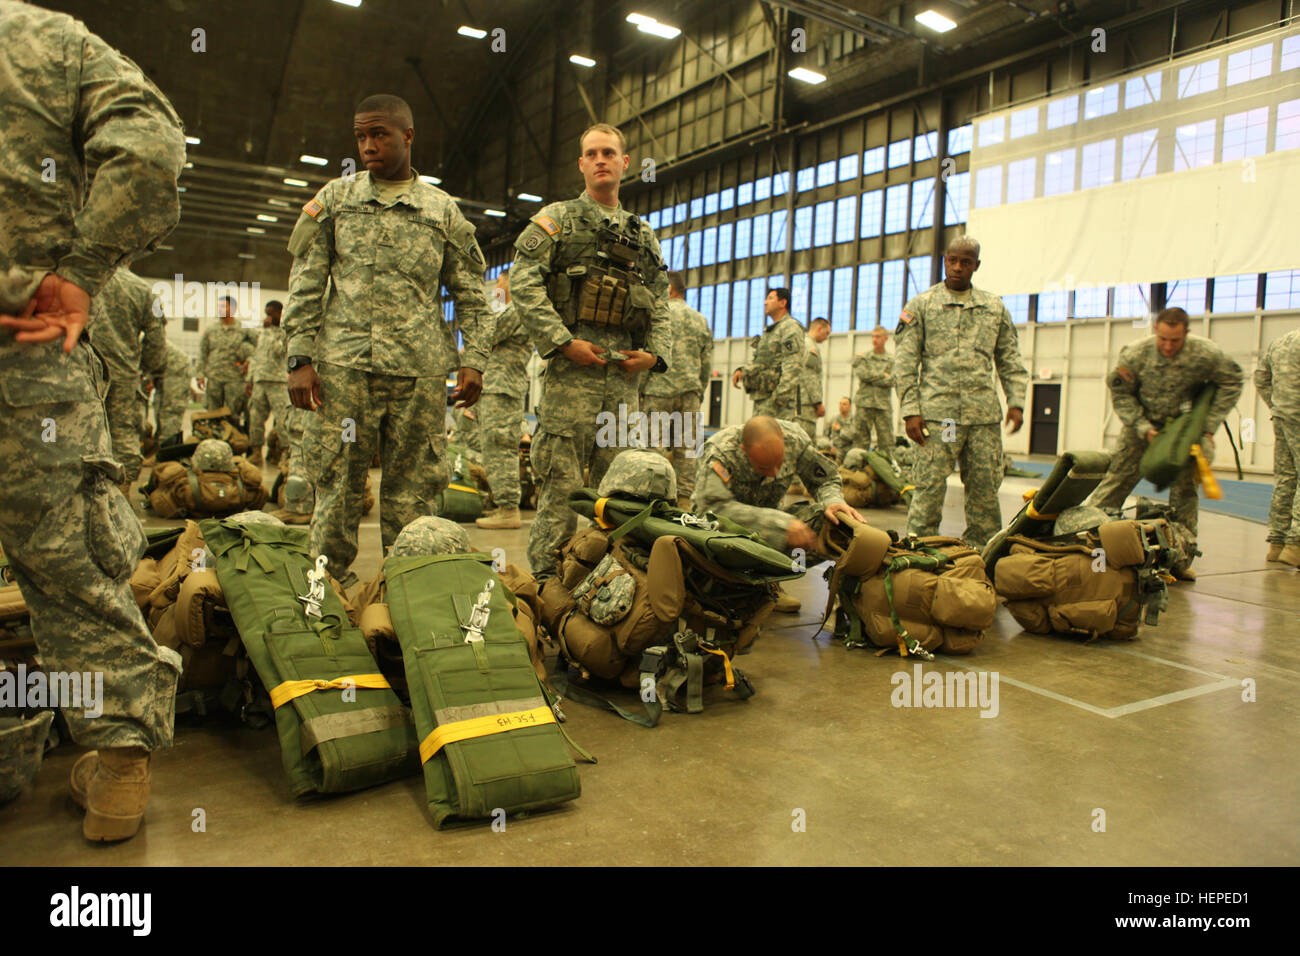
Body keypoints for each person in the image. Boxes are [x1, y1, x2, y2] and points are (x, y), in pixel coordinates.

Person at [0, 0, 186, 841]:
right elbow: (151, 150)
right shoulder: (45, 40)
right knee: (72, 566)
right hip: (29, 355)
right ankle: (116, 770)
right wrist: (76, 269)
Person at [283, 93, 489, 588]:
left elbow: (471, 294)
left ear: (408, 136)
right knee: (337, 486)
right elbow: (306, 283)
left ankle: (408, 595)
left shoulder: (442, 210)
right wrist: (298, 357)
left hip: (418, 374)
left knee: (414, 493)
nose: (368, 145)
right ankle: (325, 594)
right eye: (360, 136)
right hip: (343, 370)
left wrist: (475, 359)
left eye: (379, 134)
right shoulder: (336, 199)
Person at [511, 122, 672, 577]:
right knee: (560, 492)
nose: (601, 160)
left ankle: (606, 579)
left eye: (609, 153)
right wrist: (562, 343)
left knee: (618, 493)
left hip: (622, 385)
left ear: (625, 163)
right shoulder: (557, 219)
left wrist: (655, 355)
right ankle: (546, 584)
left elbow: (660, 301)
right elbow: (524, 284)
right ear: (581, 164)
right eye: (591, 153)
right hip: (570, 381)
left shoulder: (643, 236)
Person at [1085, 307, 1244, 579]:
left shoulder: (1205, 354)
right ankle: (1089, 546)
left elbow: (1233, 380)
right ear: (1156, 330)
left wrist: (1207, 426)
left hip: (1180, 434)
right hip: (1140, 428)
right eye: (1163, 339)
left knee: (1185, 495)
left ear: (1186, 334)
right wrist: (1143, 427)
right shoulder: (1135, 354)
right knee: (1113, 485)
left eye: (1175, 340)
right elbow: (1121, 394)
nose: (1168, 346)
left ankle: (1180, 559)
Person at [895, 237, 1029, 548]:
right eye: (953, 260)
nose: (958, 267)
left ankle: (982, 556)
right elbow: (905, 361)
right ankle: (919, 553)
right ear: (944, 260)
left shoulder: (994, 307)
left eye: (965, 262)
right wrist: (910, 409)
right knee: (928, 489)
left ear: (976, 266)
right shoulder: (921, 305)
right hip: (938, 419)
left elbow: (1009, 358)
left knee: (984, 492)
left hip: (982, 419)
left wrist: (1016, 401)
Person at [693, 416, 863, 612]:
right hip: (729, 539)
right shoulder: (720, 453)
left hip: (769, 538)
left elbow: (826, 479)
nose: (774, 473)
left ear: (783, 439)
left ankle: (768, 583)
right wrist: (780, 524)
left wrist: (833, 501)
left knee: (831, 523)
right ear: (743, 451)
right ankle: (733, 586)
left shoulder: (795, 441)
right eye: (764, 467)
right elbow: (710, 511)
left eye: (779, 464)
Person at [87, 267, 166, 494]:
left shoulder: (83, 277)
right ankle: (123, 492)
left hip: (81, 369)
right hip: (123, 373)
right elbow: (156, 340)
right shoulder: (143, 290)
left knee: (74, 428)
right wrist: (146, 369)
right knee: (123, 431)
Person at [640, 270, 713, 507]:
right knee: (688, 449)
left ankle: (656, 497)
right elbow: (707, 361)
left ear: (669, 289)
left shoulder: (659, 315)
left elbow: (646, 353)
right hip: (690, 392)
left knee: (654, 446)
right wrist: (699, 389)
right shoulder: (700, 319)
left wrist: (640, 389)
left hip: (658, 389)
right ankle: (683, 500)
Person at [476, 270, 533, 529]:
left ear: (511, 282)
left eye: (500, 280)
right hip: (496, 387)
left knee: (500, 448)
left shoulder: (517, 309)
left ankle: (509, 508)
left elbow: (487, 333)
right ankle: (503, 504)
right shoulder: (509, 309)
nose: (497, 285)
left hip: (503, 388)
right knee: (492, 447)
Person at [731, 287, 809, 429]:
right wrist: (743, 371)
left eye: (770, 298)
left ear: (782, 303)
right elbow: (763, 362)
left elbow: (793, 367)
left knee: (773, 446)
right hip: (764, 399)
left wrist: (778, 399)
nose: (765, 302)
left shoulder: (790, 327)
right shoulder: (771, 331)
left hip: (778, 404)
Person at [1256, 327, 1300, 567]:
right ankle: (1296, 544)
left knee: (1286, 477)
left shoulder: (1281, 340)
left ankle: (1277, 543)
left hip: (1282, 416)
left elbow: (1260, 376)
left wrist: (1276, 404)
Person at [244, 299, 290, 468]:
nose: (268, 317)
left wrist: (271, 331)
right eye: (266, 314)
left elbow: (280, 351)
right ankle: (256, 452)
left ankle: (286, 453)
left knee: (282, 420)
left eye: (271, 314)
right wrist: (250, 379)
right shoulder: (263, 333)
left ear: (280, 313)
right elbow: (256, 356)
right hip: (259, 381)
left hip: (278, 382)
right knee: (255, 419)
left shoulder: (285, 332)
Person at [197, 294, 256, 419]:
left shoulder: (244, 329)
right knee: (212, 413)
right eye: (219, 306)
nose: (220, 309)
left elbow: (260, 348)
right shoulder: (210, 329)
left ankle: (233, 437)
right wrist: (200, 375)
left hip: (235, 378)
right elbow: (203, 353)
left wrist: (250, 361)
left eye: (224, 306)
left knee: (233, 413)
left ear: (233, 309)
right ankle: (213, 437)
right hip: (214, 377)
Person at [852, 326, 895, 458]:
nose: (874, 339)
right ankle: (857, 472)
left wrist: (871, 377)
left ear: (886, 338)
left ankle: (886, 473)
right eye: (873, 336)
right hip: (864, 404)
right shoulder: (864, 357)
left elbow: (892, 380)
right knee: (860, 440)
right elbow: (862, 374)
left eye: (878, 336)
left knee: (887, 442)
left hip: (883, 406)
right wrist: (883, 375)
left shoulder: (891, 360)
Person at [795, 317, 829, 440]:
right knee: (806, 440)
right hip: (806, 403)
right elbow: (809, 376)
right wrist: (818, 403)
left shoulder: (802, 342)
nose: (827, 337)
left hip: (800, 401)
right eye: (826, 333)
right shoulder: (810, 347)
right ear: (819, 328)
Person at [157, 342, 194, 444]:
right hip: (159, 367)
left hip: (175, 367)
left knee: (171, 410)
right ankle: (158, 444)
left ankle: (168, 448)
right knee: (159, 407)